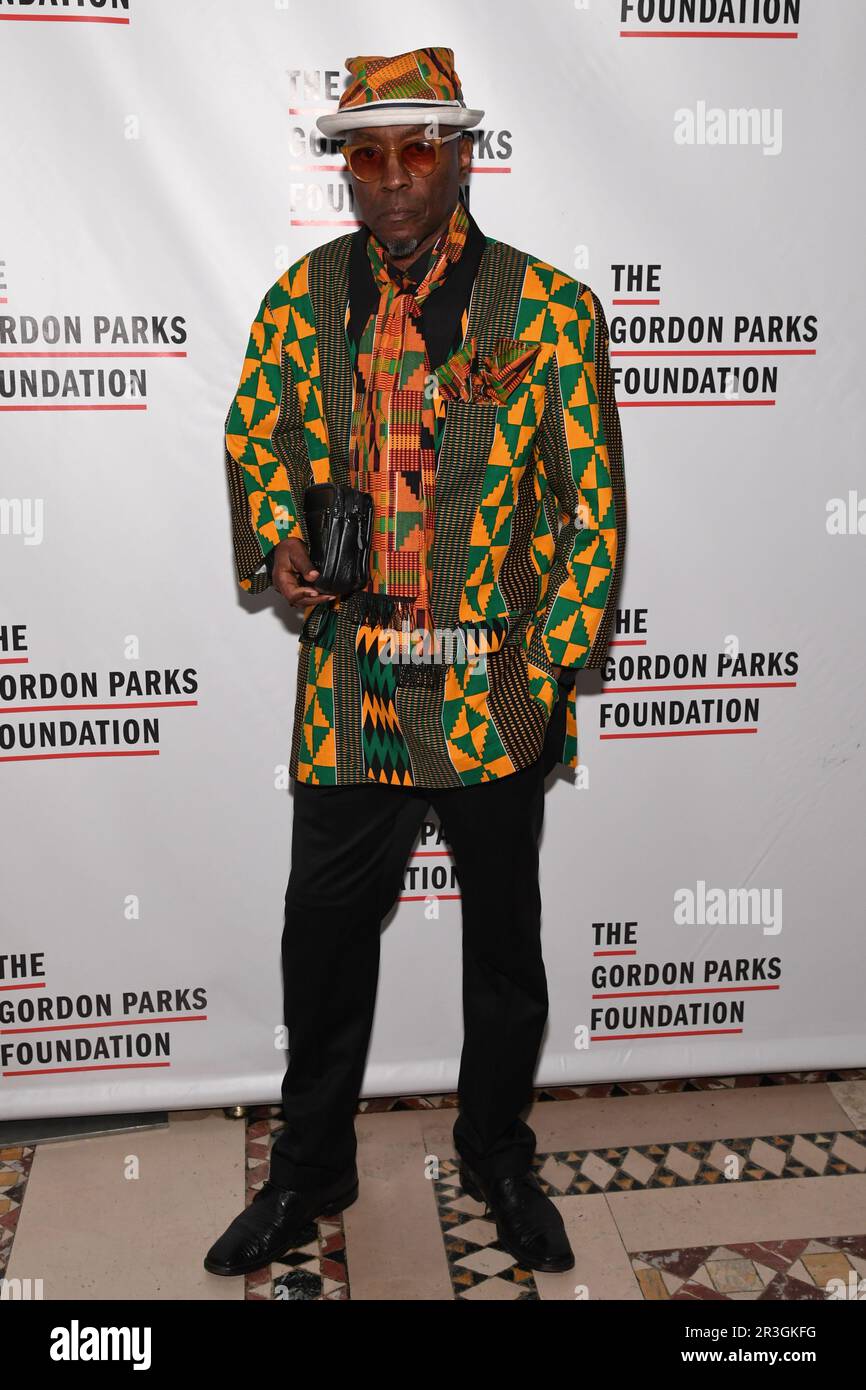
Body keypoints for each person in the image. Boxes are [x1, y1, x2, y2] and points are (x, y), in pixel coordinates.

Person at [206, 44, 626, 1279]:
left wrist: (540, 673)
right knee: (322, 941)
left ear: (461, 154)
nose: (391, 180)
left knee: (503, 945)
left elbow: (587, 513)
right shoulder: (302, 300)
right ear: (345, 166)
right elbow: (254, 436)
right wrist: (279, 542)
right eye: (367, 154)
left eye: (417, 150)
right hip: (349, 687)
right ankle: (309, 1169)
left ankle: (497, 1151)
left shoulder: (547, 311)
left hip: (492, 690)